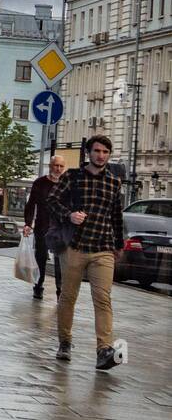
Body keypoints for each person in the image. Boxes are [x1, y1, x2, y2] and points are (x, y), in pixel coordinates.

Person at [47, 135, 125, 370]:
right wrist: (68, 215)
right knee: (68, 297)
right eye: (97, 151)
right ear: (88, 153)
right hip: (75, 247)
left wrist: (118, 245)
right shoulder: (73, 176)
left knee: (103, 299)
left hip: (103, 248)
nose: (101, 155)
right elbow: (51, 200)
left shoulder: (114, 182)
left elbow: (116, 216)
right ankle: (65, 342)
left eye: (105, 152)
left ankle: (104, 349)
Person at [23, 155, 66, 301]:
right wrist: (28, 224)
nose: (58, 169)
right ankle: (38, 286)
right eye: (56, 166)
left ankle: (60, 290)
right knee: (40, 257)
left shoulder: (66, 184)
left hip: (60, 227)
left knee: (60, 259)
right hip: (42, 225)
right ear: (50, 166)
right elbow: (31, 205)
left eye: (61, 166)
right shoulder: (40, 183)